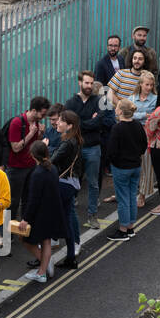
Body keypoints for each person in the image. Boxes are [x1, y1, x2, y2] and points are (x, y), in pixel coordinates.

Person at [22, 140, 70, 275]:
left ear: (32, 155)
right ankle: (42, 271)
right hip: (52, 210)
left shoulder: (37, 174)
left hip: (40, 214)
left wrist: (26, 218)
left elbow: (33, 199)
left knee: (27, 240)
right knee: (46, 241)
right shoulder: (52, 168)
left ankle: (44, 267)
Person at [65, 71, 105, 230]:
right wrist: (90, 121)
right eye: (86, 83)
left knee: (94, 183)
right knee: (72, 179)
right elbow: (71, 125)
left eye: (91, 83)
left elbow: (99, 122)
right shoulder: (70, 103)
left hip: (93, 147)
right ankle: (69, 209)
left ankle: (92, 214)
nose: (89, 86)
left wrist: (81, 122)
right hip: (75, 148)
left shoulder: (99, 100)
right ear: (79, 83)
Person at [106, 100, 148, 240]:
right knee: (131, 196)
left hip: (121, 168)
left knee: (123, 199)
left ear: (120, 111)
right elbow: (144, 145)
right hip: (135, 166)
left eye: (117, 108)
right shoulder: (137, 125)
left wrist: (114, 163)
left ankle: (123, 230)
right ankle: (130, 228)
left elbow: (111, 151)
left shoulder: (117, 128)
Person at [5, 97, 48, 221]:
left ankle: (25, 231)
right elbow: (16, 148)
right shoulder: (17, 123)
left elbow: (33, 146)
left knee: (28, 200)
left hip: (31, 167)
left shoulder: (35, 124)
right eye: (42, 114)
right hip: (16, 169)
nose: (43, 117)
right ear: (34, 110)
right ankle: (8, 235)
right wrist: (31, 133)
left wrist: (39, 135)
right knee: (12, 202)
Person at [50, 110, 83, 266]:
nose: (57, 123)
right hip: (71, 182)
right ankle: (70, 256)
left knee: (53, 217)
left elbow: (52, 161)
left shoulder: (67, 143)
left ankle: (45, 252)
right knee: (68, 218)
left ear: (69, 125)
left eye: (61, 121)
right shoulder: (74, 139)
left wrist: (43, 150)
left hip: (63, 184)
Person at [128, 70, 160, 207]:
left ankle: (142, 194)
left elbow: (154, 116)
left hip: (148, 134)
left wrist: (138, 115)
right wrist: (143, 115)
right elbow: (127, 114)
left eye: (151, 85)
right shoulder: (132, 98)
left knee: (146, 165)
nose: (149, 88)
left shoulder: (155, 98)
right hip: (133, 134)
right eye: (146, 85)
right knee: (132, 164)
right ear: (140, 84)